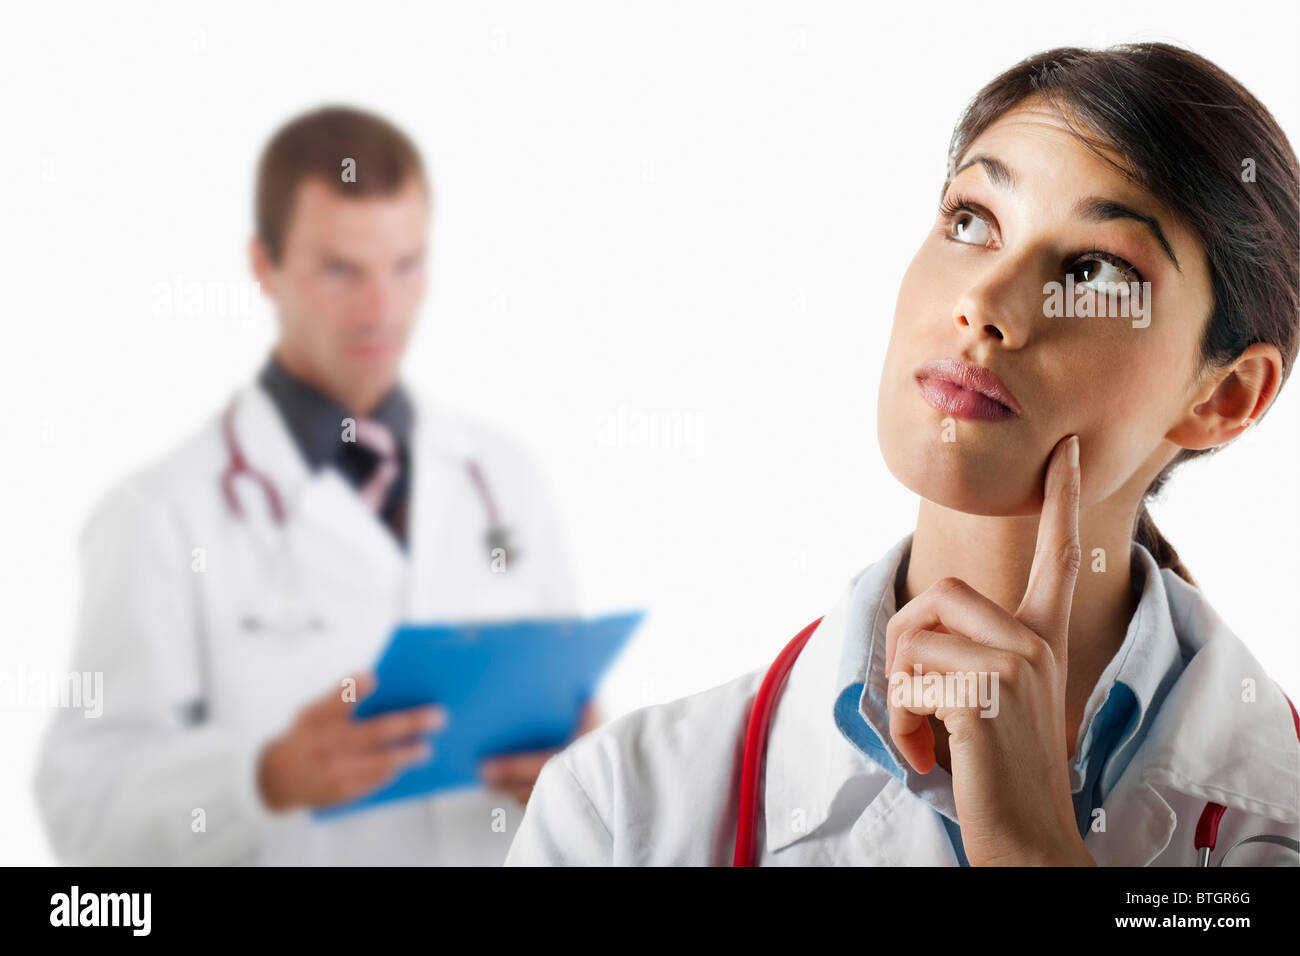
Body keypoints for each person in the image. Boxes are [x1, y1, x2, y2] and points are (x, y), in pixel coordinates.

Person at [506, 43, 1300, 866]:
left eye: (1093, 270)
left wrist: (1031, 849)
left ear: (1225, 397)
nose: (984, 302)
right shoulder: (617, 814)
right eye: (972, 221)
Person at [36, 105, 585, 865]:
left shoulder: (503, 478)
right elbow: (82, 811)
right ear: (263, 266)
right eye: (341, 271)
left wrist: (577, 772)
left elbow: (562, 735)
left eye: (406, 265)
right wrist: (262, 779)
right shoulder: (160, 515)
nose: (382, 309)